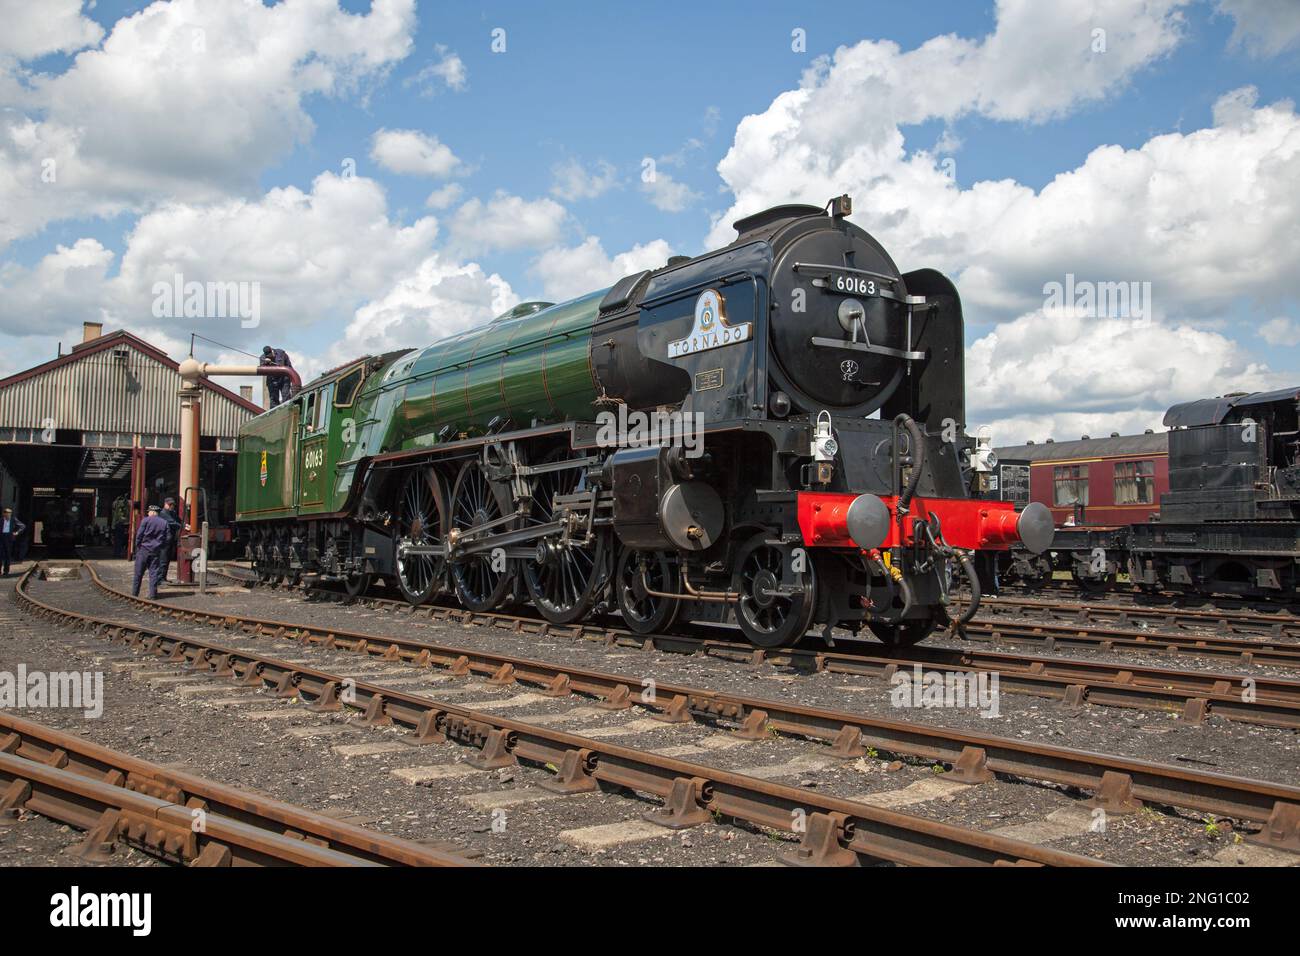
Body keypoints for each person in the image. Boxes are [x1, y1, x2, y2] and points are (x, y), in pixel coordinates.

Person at [132, 504, 169, 598]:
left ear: (152, 512)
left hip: (143, 550)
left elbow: (139, 535)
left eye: (148, 512)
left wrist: (138, 546)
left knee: (138, 573)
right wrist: (160, 546)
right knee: (154, 573)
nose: (148, 513)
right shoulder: (164, 523)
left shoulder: (145, 520)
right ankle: (152, 595)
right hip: (155, 551)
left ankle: (135, 594)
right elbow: (168, 538)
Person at [158, 496, 183, 585]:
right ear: (165, 504)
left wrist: (184, 523)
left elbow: (179, 520)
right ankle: (160, 578)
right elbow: (172, 522)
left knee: (167, 559)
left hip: (170, 539)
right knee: (163, 559)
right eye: (170, 504)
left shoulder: (172, 513)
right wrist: (182, 526)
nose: (172, 506)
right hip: (164, 540)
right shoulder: (163, 513)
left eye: (172, 505)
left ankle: (163, 577)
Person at [0, 507, 26, 577]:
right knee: (0, 554)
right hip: (2, 537)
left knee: (7, 555)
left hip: (9, 538)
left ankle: (6, 571)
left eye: (9, 513)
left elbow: (22, 526)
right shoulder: (1, 520)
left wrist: (17, 532)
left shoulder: (13, 520)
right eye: (6, 513)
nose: (7, 514)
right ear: (3, 514)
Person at [111, 494, 130, 558]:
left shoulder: (115, 504)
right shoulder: (123, 504)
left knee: (117, 541)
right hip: (120, 524)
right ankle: (118, 553)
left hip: (117, 524)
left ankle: (116, 553)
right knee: (119, 541)